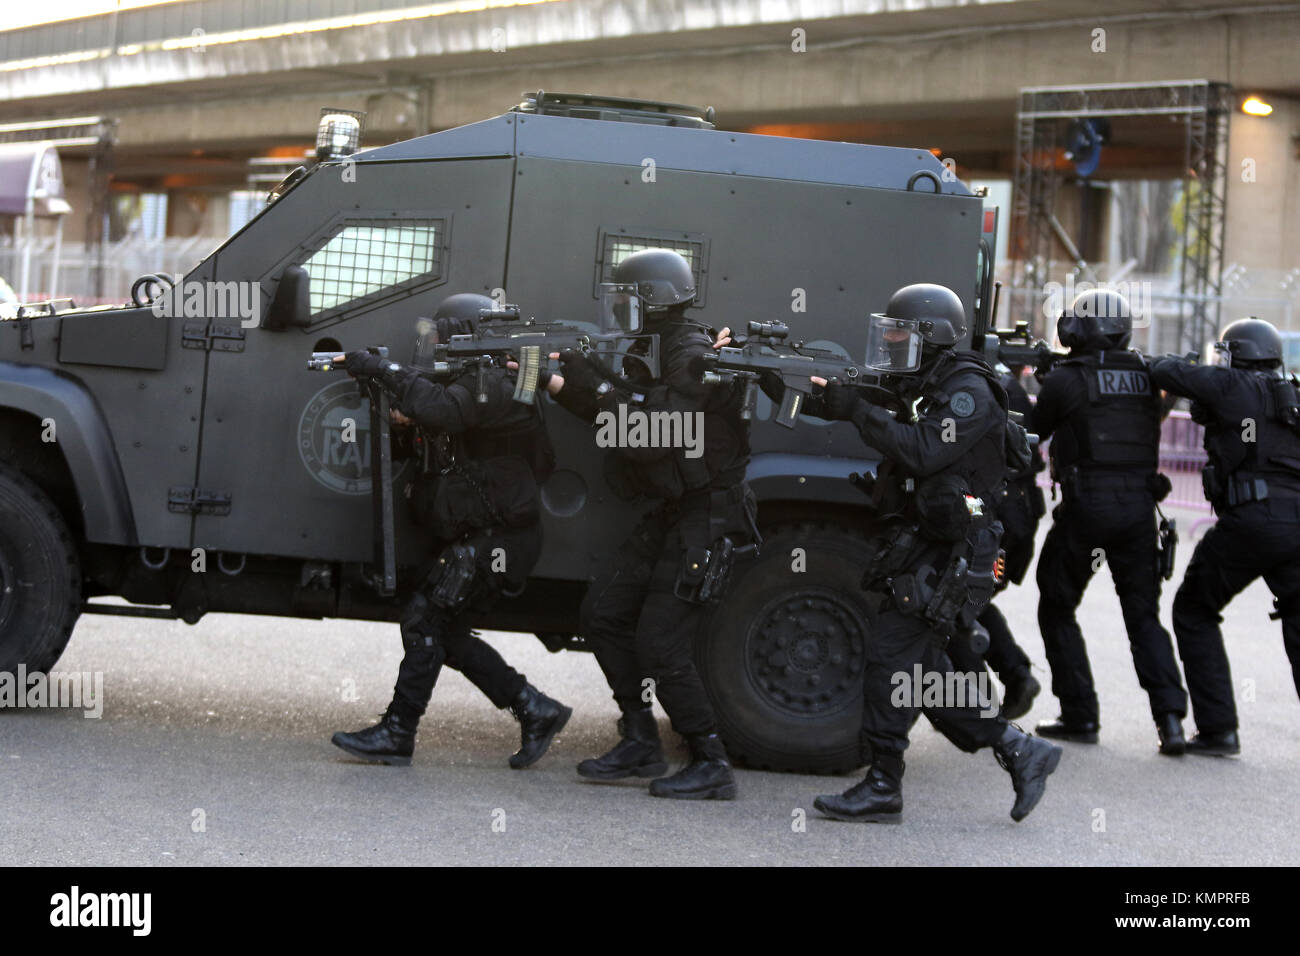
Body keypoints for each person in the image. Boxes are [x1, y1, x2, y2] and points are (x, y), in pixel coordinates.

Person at [806, 283, 1062, 823]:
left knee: (891, 660)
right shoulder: (930, 381)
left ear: (931, 337)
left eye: (901, 331)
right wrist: (828, 398)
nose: (892, 339)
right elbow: (894, 420)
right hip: (930, 542)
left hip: (954, 552)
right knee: (920, 671)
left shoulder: (968, 391)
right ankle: (1020, 749)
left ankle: (883, 785)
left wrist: (858, 412)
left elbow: (923, 450)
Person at [543, 248, 759, 800]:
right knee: (605, 613)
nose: (618, 309)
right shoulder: (660, 347)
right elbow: (636, 403)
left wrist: (582, 391)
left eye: (627, 299)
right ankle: (640, 739)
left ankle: (711, 761)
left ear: (652, 303)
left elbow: (645, 435)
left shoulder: (689, 356)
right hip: (674, 509)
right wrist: (576, 376)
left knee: (660, 642)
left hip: (705, 515)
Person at [330, 293, 571, 768]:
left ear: (463, 333)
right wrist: (403, 413)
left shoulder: (503, 379)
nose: (434, 341)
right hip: (485, 533)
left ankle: (399, 732)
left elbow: (447, 411)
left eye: (441, 333)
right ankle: (536, 709)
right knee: (448, 633)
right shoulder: (470, 379)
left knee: (424, 620)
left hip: (503, 538)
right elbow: (437, 420)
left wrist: (385, 371)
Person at [1030, 289, 1188, 755]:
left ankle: (1079, 714)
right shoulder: (1148, 375)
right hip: (1139, 510)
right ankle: (1172, 721)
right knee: (1143, 617)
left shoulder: (1068, 379)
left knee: (1056, 605)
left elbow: (1032, 432)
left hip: (1087, 510)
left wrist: (1039, 386)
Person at [1148, 317, 1300, 756]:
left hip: (1255, 521)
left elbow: (1168, 372)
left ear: (1237, 356)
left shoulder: (1235, 385)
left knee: (1193, 609)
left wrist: (1140, 360)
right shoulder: (1290, 394)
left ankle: (1218, 730)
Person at [946, 363, 1044, 720]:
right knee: (973, 599)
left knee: (956, 604)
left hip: (998, 514)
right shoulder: (1006, 386)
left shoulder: (977, 387)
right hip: (1017, 512)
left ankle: (981, 706)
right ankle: (1013, 680)